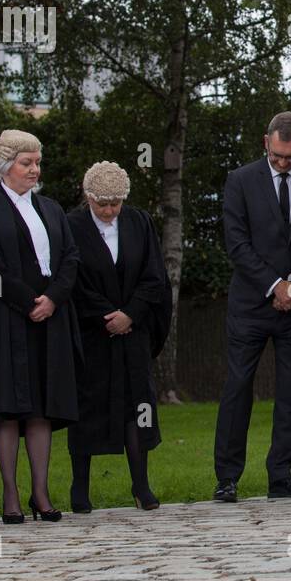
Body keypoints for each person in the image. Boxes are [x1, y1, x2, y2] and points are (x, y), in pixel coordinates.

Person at [0, 130, 82, 522]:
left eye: (37, 162)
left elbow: (71, 257)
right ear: (6, 166)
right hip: (4, 320)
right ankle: (10, 494)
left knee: (41, 406)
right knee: (9, 408)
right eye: (26, 163)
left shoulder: (52, 208)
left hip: (49, 320)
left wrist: (53, 298)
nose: (34, 170)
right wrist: (28, 301)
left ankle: (41, 494)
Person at [213, 111, 291, 502]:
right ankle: (226, 478)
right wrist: (274, 285)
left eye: (290, 157)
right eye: (277, 154)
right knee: (238, 388)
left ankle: (281, 476)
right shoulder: (240, 181)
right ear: (266, 141)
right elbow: (237, 244)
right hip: (250, 306)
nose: (282, 162)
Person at [65, 162, 172, 513]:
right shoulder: (71, 226)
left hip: (133, 334)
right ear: (89, 198)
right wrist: (104, 317)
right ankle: (79, 488)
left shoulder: (138, 222)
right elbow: (72, 279)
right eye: (102, 204)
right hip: (91, 337)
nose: (109, 211)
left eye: (115, 203)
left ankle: (141, 485)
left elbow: (154, 275)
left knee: (136, 406)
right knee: (86, 407)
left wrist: (131, 314)